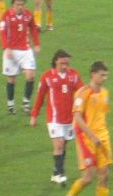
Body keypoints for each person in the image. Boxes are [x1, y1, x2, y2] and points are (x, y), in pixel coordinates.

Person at [59, 60, 113, 196]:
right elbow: (77, 118)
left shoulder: (105, 93)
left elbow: (102, 114)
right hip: (87, 140)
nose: (104, 78)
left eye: (106, 75)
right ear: (93, 75)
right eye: (102, 75)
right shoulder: (83, 93)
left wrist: (101, 135)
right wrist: (92, 136)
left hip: (103, 138)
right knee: (88, 177)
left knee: (104, 175)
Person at [30, 49, 84, 184]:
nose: (65, 66)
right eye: (62, 63)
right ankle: (60, 173)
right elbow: (40, 96)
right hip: (54, 119)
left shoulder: (74, 75)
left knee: (64, 145)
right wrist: (34, 115)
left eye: (67, 63)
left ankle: (55, 172)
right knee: (59, 144)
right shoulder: (47, 77)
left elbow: (81, 92)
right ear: (56, 62)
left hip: (69, 118)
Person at [0, 0, 40, 114]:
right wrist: (6, 48)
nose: (20, 7)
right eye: (18, 5)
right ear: (12, 4)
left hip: (26, 50)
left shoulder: (28, 14)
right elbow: (2, 32)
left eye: (22, 5)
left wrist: (37, 44)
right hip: (11, 51)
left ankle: (26, 103)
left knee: (30, 75)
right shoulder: (6, 16)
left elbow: (33, 28)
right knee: (11, 79)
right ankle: (11, 104)